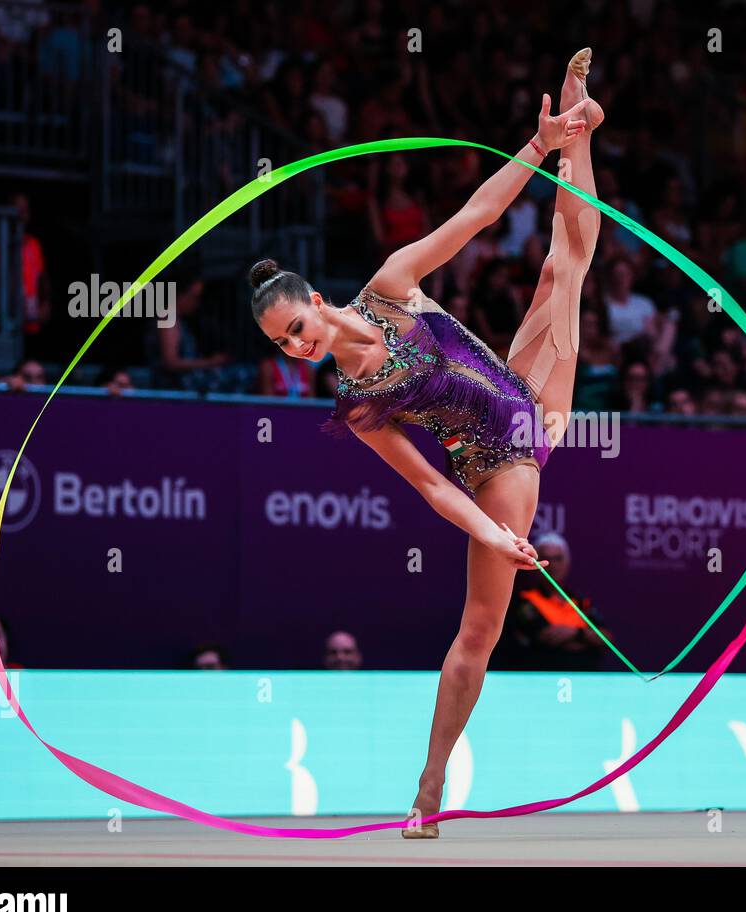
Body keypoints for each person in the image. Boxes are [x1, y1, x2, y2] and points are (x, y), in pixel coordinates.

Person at [250, 50, 603, 838]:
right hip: (501, 456)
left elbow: (475, 216)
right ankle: (430, 785)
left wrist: (540, 149)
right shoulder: (357, 398)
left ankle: (579, 129)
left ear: (313, 300)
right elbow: (430, 486)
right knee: (479, 629)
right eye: (283, 345)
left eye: (296, 328)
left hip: (522, 387)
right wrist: (496, 533)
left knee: (561, 270)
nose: (297, 347)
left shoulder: (389, 284)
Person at [495, 533, 608, 670]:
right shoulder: (524, 599)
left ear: (567, 562)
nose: (553, 565)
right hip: (540, 675)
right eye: (546, 559)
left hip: (585, 677)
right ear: (535, 562)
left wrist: (575, 633)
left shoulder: (580, 601)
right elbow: (547, 638)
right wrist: (585, 638)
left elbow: (604, 637)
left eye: (558, 559)